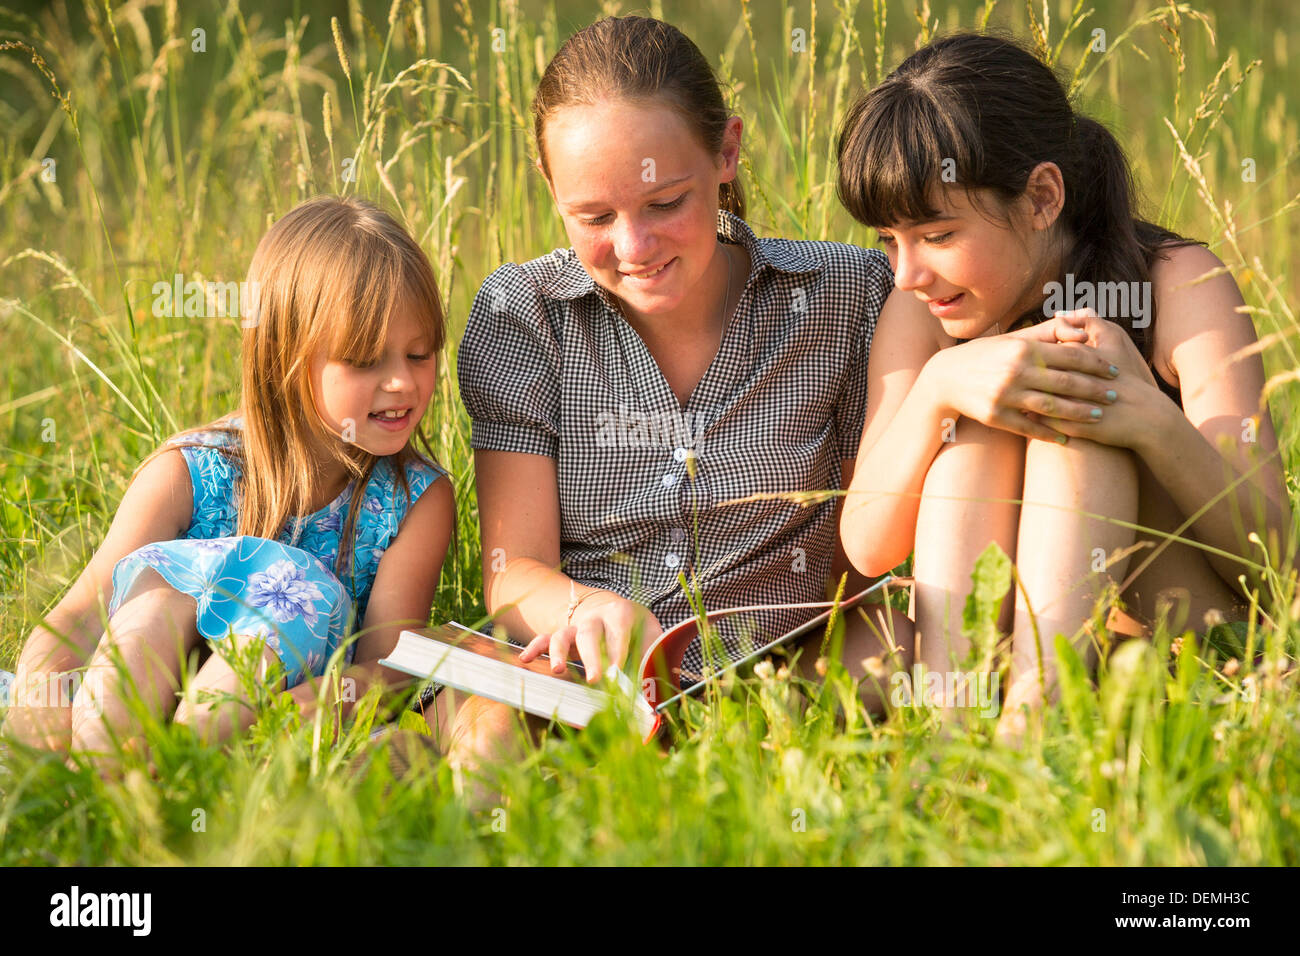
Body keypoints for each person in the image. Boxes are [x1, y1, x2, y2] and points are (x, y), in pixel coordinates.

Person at [445, 15, 912, 765]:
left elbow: (864, 554)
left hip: (789, 671)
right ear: (550, 186)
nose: (634, 248)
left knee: (920, 644)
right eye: (594, 216)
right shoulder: (523, 314)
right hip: (588, 676)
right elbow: (512, 571)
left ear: (727, 152)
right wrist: (588, 607)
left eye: (665, 203)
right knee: (489, 731)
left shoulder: (847, 294)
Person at [835, 33, 1291, 741]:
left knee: (1077, 416)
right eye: (890, 241)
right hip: (1002, 652)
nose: (906, 273)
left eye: (937, 234)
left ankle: (1032, 732)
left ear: (1043, 196)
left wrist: (1150, 422)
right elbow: (866, 544)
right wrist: (937, 389)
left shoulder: (1177, 282)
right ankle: (956, 734)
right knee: (974, 430)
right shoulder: (918, 313)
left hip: (1182, 654)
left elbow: (1276, 571)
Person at [4, 196, 456, 769]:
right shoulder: (190, 471)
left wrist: (308, 712)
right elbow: (80, 615)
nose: (402, 381)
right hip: (139, 698)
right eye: (366, 360)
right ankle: (103, 769)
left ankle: (179, 769)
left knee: (295, 598)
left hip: (279, 721)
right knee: (159, 594)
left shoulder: (414, 499)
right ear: (286, 355)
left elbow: (386, 666)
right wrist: (36, 696)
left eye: (420, 354)